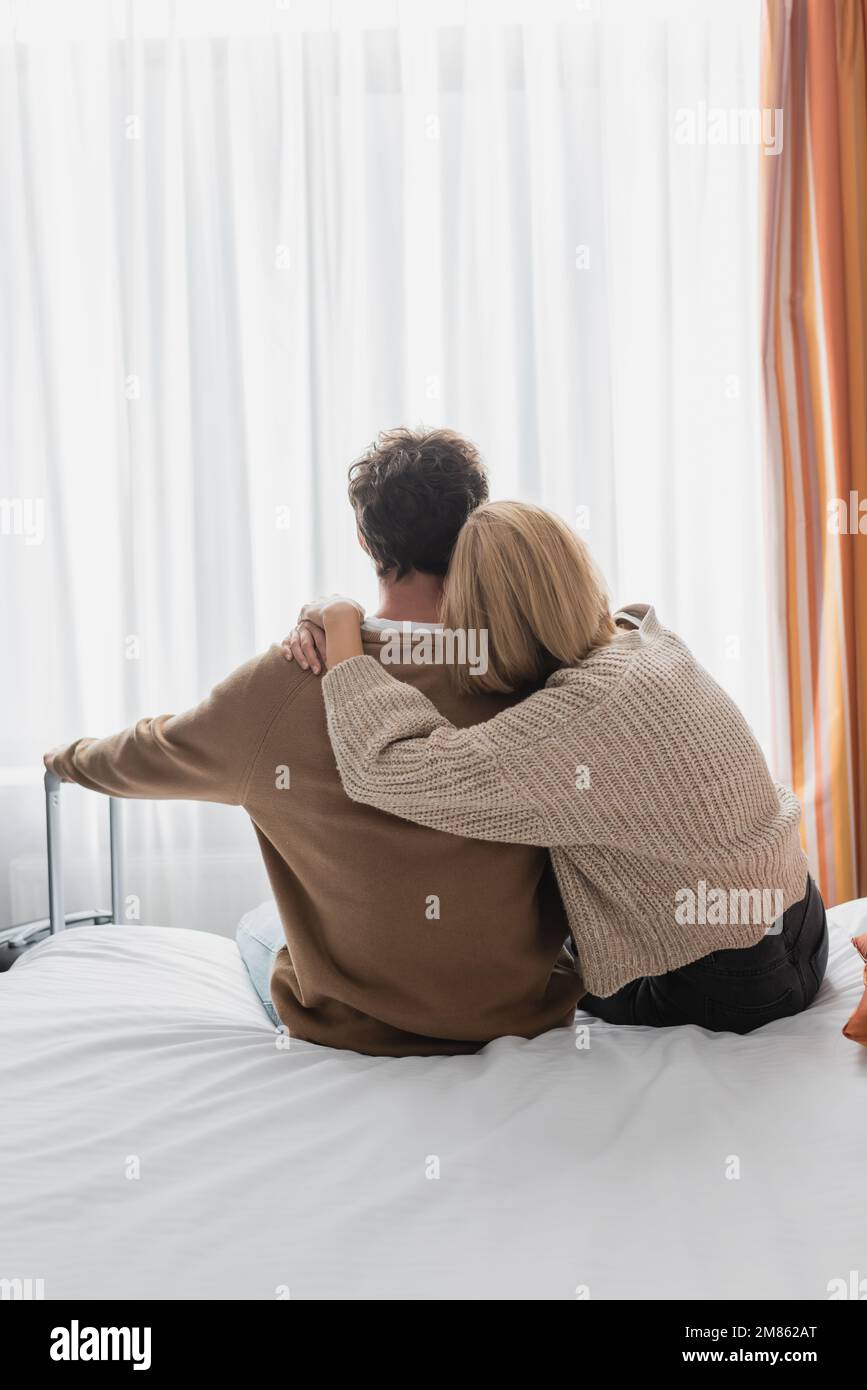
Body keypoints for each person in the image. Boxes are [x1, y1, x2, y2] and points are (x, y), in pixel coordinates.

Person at [43, 430, 585, 1056]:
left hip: (355, 1023)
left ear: (365, 539)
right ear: (477, 530)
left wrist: (66, 759)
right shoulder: (534, 666)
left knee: (257, 925)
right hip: (517, 1011)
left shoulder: (291, 681)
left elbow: (146, 753)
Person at [283, 500, 828, 1034]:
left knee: (276, 939)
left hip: (730, 982)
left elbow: (381, 768)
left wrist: (341, 624)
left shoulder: (575, 718)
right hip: (803, 919)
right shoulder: (644, 640)